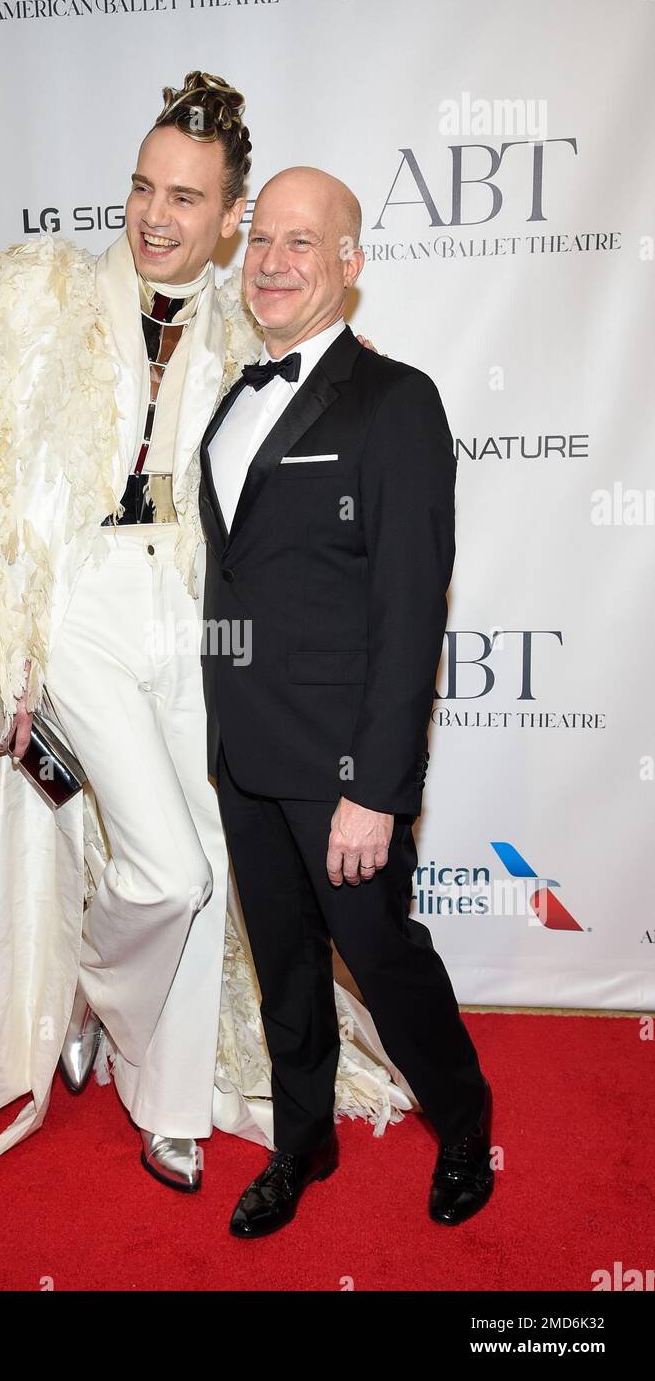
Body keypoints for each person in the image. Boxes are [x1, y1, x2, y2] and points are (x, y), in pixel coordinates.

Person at [0, 80, 415, 1190]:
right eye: (141, 186)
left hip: (191, 612)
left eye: (184, 196)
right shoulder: (39, 299)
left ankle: (170, 1100)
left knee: (212, 851)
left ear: (229, 218)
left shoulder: (251, 327)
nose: (152, 214)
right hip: (79, 597)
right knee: (168, 876)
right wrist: (5, 643)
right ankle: (91, 985)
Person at [200, 166, 494, 1235]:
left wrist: (376, 789)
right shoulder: (234, 399)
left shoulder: (396, 403)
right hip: (241, 758)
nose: (272, 263)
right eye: (261, 241)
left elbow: (410, 610)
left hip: (340, 775)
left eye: (300, 244)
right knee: (281, 971)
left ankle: (462, 1123)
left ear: (347, 265)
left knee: (380, 961)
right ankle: (300, 1141)